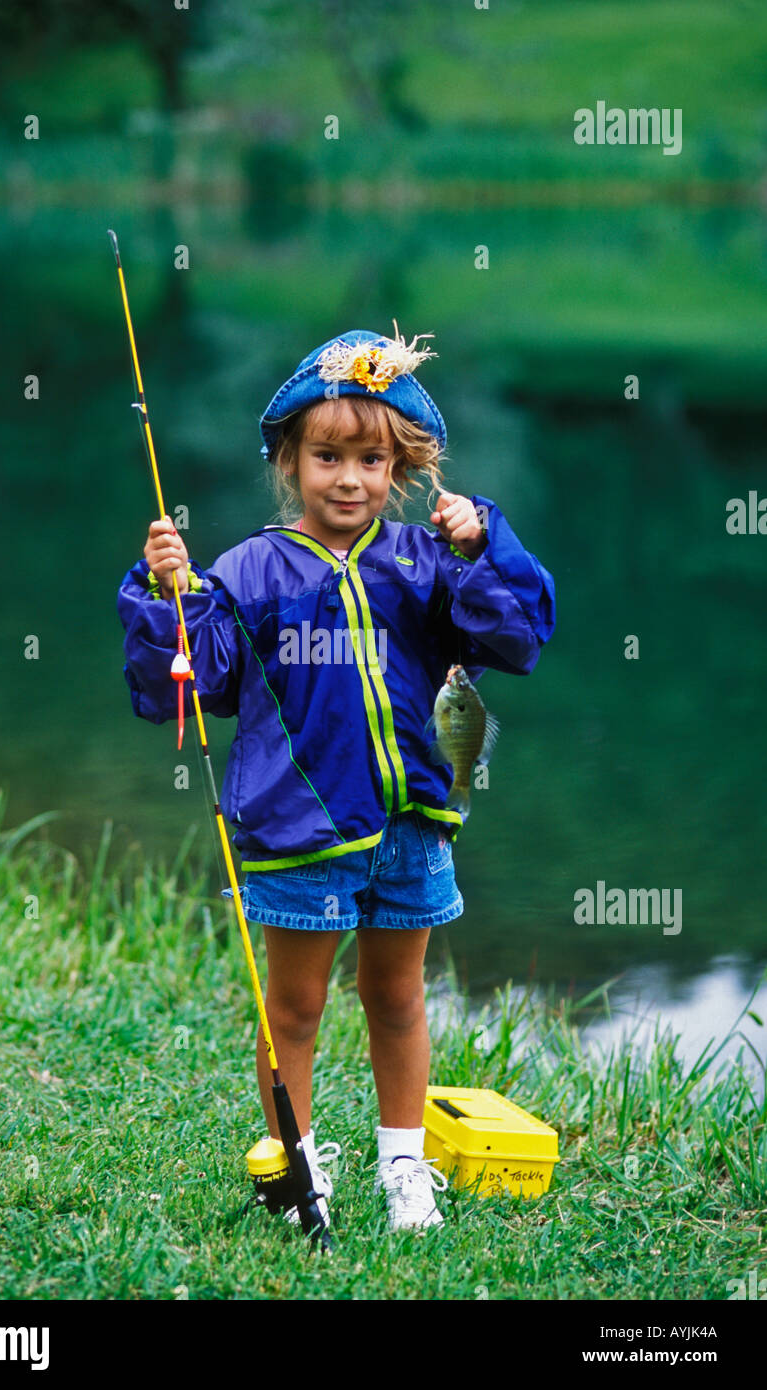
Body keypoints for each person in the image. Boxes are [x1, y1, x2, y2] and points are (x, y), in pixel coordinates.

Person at [117, 326, 555, 1230]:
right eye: (326, 457)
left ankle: (403, 1170)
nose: (348, 478)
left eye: (369, 459)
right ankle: (297, 1171)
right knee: (297, 1006)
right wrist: (169, 597)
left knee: (397, 997)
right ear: (288, 462)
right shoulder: (245, 572)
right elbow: (192, 692)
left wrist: (482, 544)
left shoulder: (425, 562)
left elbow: (515, 638)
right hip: (296, 833)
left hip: (411, 824)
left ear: (398, 470)